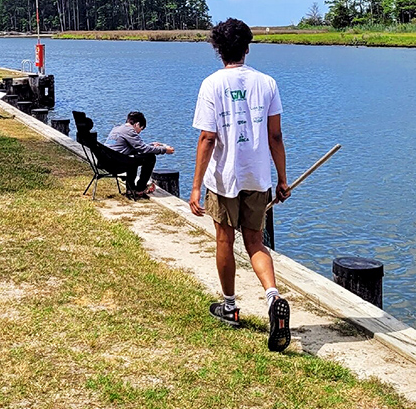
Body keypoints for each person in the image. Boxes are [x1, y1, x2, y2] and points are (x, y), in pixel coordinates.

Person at [190, 18, 292, 352]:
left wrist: (194, 188)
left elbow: (207, 137)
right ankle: (273, 296)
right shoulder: (267, 83)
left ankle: (230, 306)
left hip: (223, 178)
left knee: (224, 238)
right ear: (248, 48)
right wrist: (282, 178)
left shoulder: (212, 84)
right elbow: (274, 135)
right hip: (258, 175)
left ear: (217, 50)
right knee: (255, 242)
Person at [105, 111, 175, 201]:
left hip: (107, 161)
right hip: (116, 164)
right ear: (137, 124)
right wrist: (164, 150)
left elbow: (135, 148)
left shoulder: (117, 128)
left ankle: (131, 189)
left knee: (134, 157)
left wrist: (151, 145)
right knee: (150, 158)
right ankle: (140, 189)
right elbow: (143, 149)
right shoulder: (129, 131)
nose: (138, 133)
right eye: (140, 129)